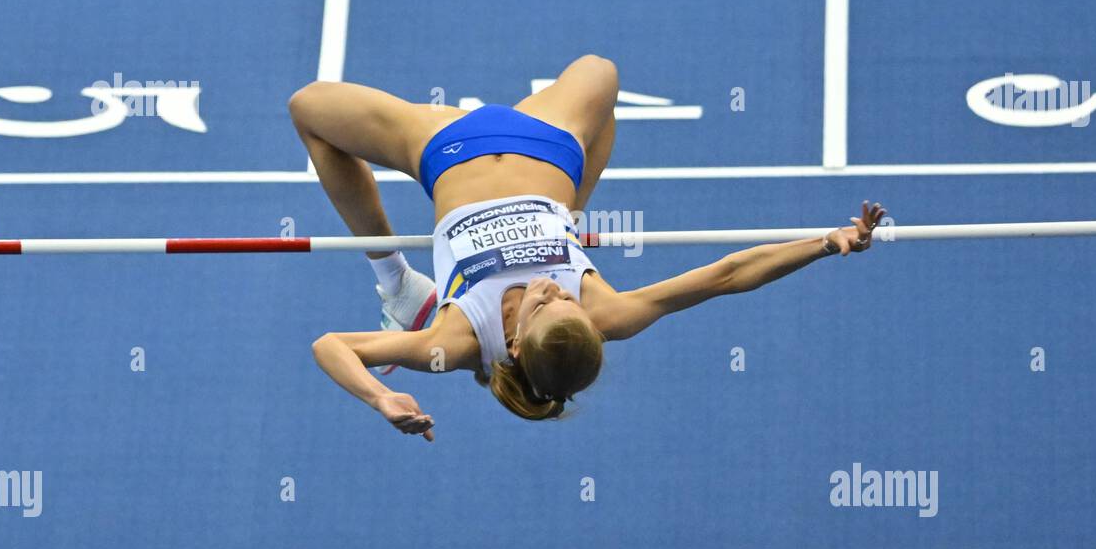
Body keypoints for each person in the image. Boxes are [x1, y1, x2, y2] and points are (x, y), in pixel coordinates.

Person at [289, 55, 884, 440]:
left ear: (515, 343)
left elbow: (332, 346)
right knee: (601, 72)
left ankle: (393, 279)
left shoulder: (457, 341)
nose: (551, 287)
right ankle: (569, 208)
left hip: (443, 148)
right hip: (549, 147)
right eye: (567, 299)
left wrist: (382, 396)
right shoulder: (607, 314)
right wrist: (824, 243)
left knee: (310, 108)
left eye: (547, 304)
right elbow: (728, 274)